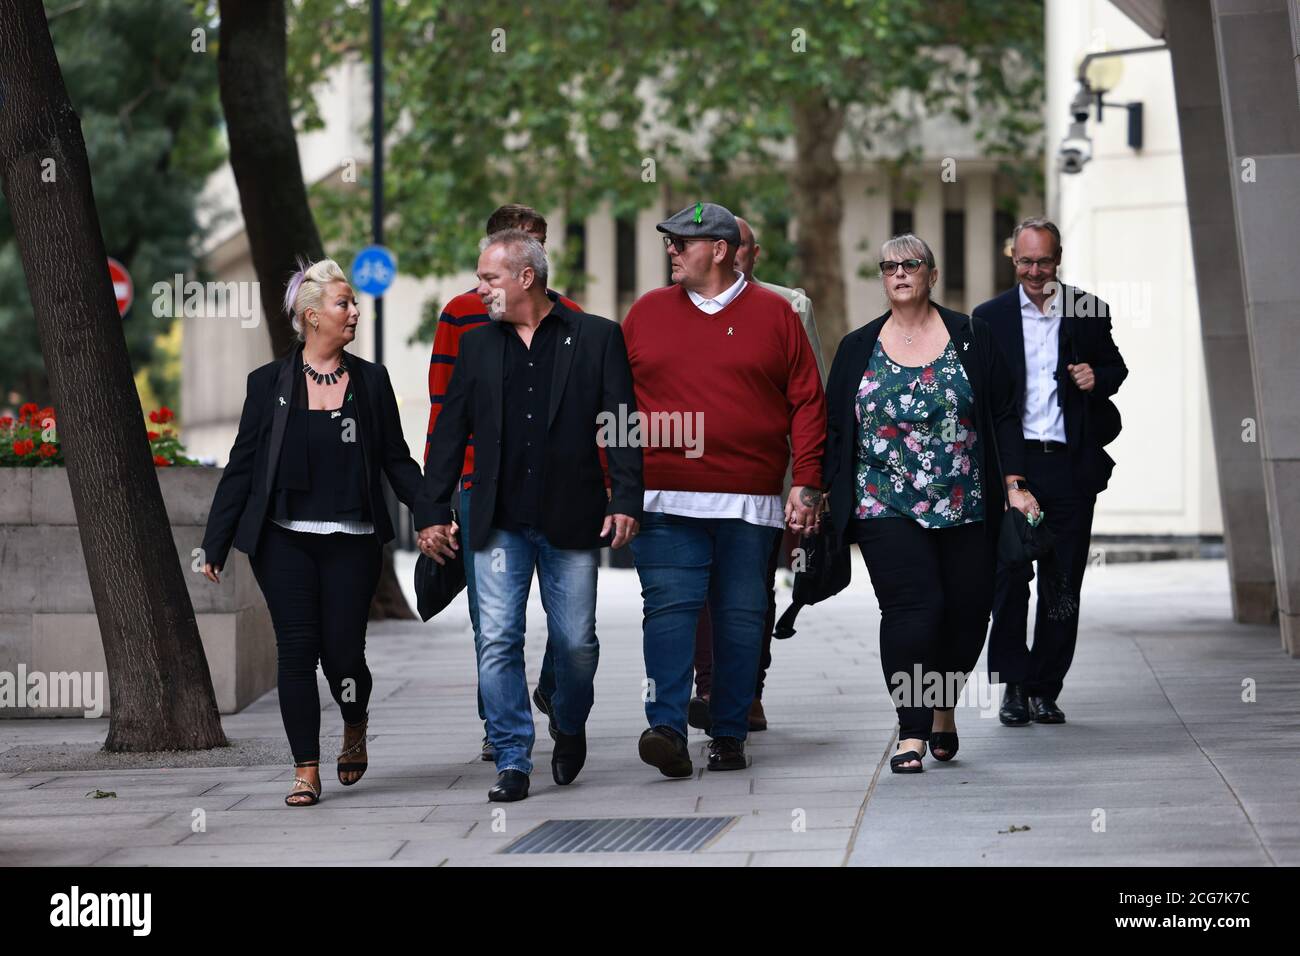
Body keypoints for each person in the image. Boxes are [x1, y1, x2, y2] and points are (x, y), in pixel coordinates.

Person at [416, 229, 642, 802]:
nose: (480, 288)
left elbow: (621, 423)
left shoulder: (597, 337)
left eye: (489, 277)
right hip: (497, 522)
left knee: (576, 643)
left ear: (526, 278)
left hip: (572, 518)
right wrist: (431, 510)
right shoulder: (477, 345)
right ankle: (513, 757)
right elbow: (449, 434)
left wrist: (625, 500)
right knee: (496, 637)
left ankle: (568, 721)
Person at [200, 258, 424, 806]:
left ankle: (354, 721)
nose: (353, 312)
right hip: (284, 541)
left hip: (352, 540)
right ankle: (305, 768)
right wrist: (217, 539)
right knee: (296, 653)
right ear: (310, 317)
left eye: (352, 304)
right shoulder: (269, 385)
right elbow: (243, 466)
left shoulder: (370, 382)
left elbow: (396, 460)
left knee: (344, 655)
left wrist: (434, 511)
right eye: (343, 304)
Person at [822, 234, 1038, 773]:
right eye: (889, 266)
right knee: (911, 611)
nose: (899, 273)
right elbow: (835, 429)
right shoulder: (857, 347)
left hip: (964, 497)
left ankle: (944, 705)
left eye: (911, 264)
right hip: (884, 501)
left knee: (966, 613)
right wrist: (822, 489)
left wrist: (1014, 483)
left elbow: (1003, 413)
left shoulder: (971, 336)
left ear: (932, 274)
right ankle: (911, 729)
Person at [623, 201, 825, 777]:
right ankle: (664, 726)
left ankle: (729, 732)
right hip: (664, 498)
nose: (671, 252)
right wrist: (616, 486)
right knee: (668, 612)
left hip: (750, 500)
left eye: (681, 243)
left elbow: (809, 401)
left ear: (718, 250)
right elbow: (614, 402)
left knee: (740, 616)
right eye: (669, 242)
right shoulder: (647, 313)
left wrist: (807, 481)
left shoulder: (775, 313)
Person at [425, 204, 581, 763]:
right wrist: (436, 503)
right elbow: (443, 411)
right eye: (522, 244)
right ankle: (501, 728)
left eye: (539, 243)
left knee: (569, 626)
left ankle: (554, 694)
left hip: (556, 488)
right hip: (479, 487)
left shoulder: (573, 319)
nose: (536, 257)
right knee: (491, 622)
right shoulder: (460, 315)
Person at [976, 217, 1128, 726]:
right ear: (1012, 258)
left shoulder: (1087, 309)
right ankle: (1013, 687)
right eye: (1025, 261)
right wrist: (1003, 478)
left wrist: (1096, 376)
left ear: (1058, 258)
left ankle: (1045, 688)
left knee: (1062, 586)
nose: (1035, 271)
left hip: (1068, 466)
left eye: (1043, 261)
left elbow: (1117, 368)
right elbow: (981, 402)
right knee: (1010, 578)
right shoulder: (989, 317)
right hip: (1015, 471)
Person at [687, 215, 828, 735]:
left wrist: (808, 483)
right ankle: (709, 688)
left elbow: (811, 396)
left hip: (769, 478)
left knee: (753, 587)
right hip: (695, 477)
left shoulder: (788, 305)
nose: (731, 256)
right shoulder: (680, 301)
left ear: (753, 252)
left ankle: (748, 691)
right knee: (700, 586)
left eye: (740, 247)